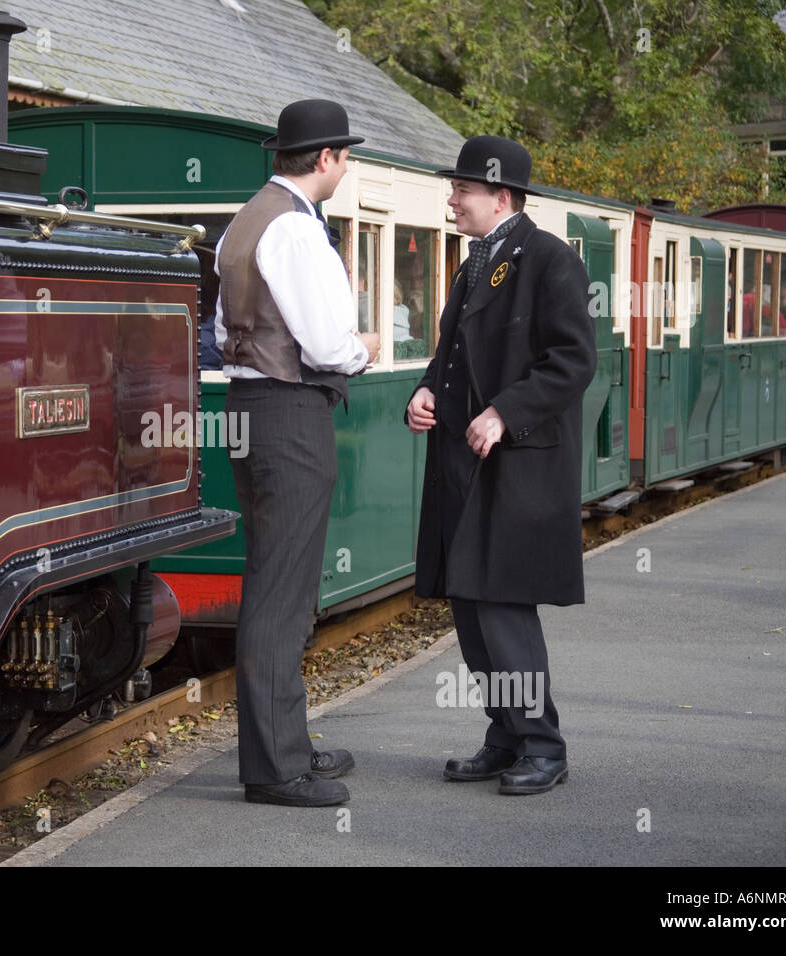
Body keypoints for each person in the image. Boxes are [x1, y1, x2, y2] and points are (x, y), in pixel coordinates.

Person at [404, 135, 596, 795]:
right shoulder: (473, 262)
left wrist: (506, 411)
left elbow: (572, 362)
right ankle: (506, 734)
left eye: (462, 189)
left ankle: (544, 745)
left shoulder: (550, 261)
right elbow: (450, 352)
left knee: (503, 609)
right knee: (470, 606)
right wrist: (426, 390)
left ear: (501, 196)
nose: (452, 200)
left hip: (516, 465)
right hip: (462, 460)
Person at [214, 99, 380, 807]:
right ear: (325, 160)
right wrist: (364, 350)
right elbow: (325, 345)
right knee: (283, 595)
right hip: (290, 414)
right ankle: (276, 770)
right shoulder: (299, 232)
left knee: (277, 584)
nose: (346, 166)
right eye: (345, 156)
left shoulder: (245, 219)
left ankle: (286, 745)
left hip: (251, 409)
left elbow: (226, 326)